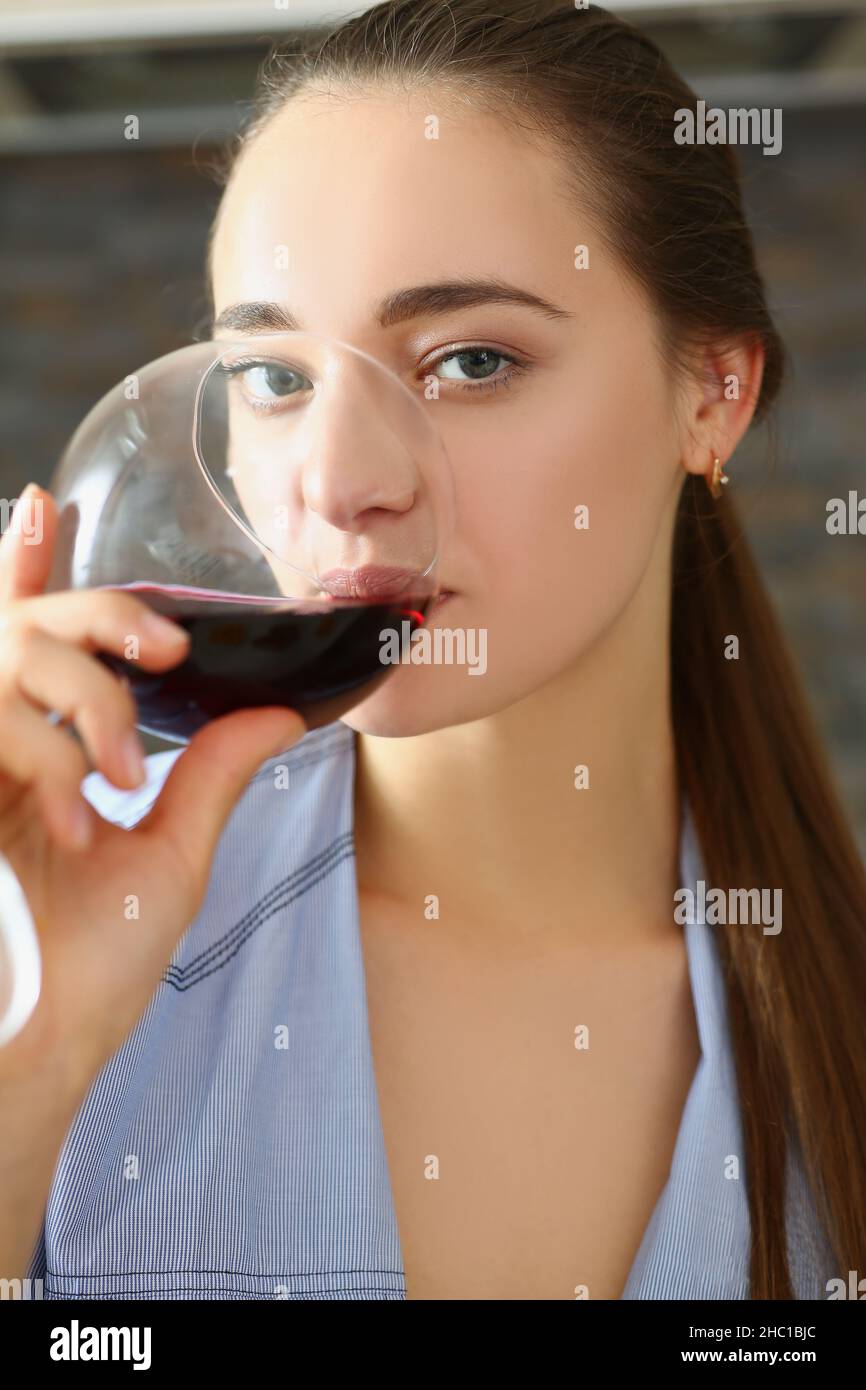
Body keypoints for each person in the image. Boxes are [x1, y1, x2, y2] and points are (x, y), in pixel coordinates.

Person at [2, 0, 865, 1302]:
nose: (339, 484)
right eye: (275, 377)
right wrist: (37, 1059)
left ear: (711, 392)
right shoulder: (62, 932)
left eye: (469, 359)